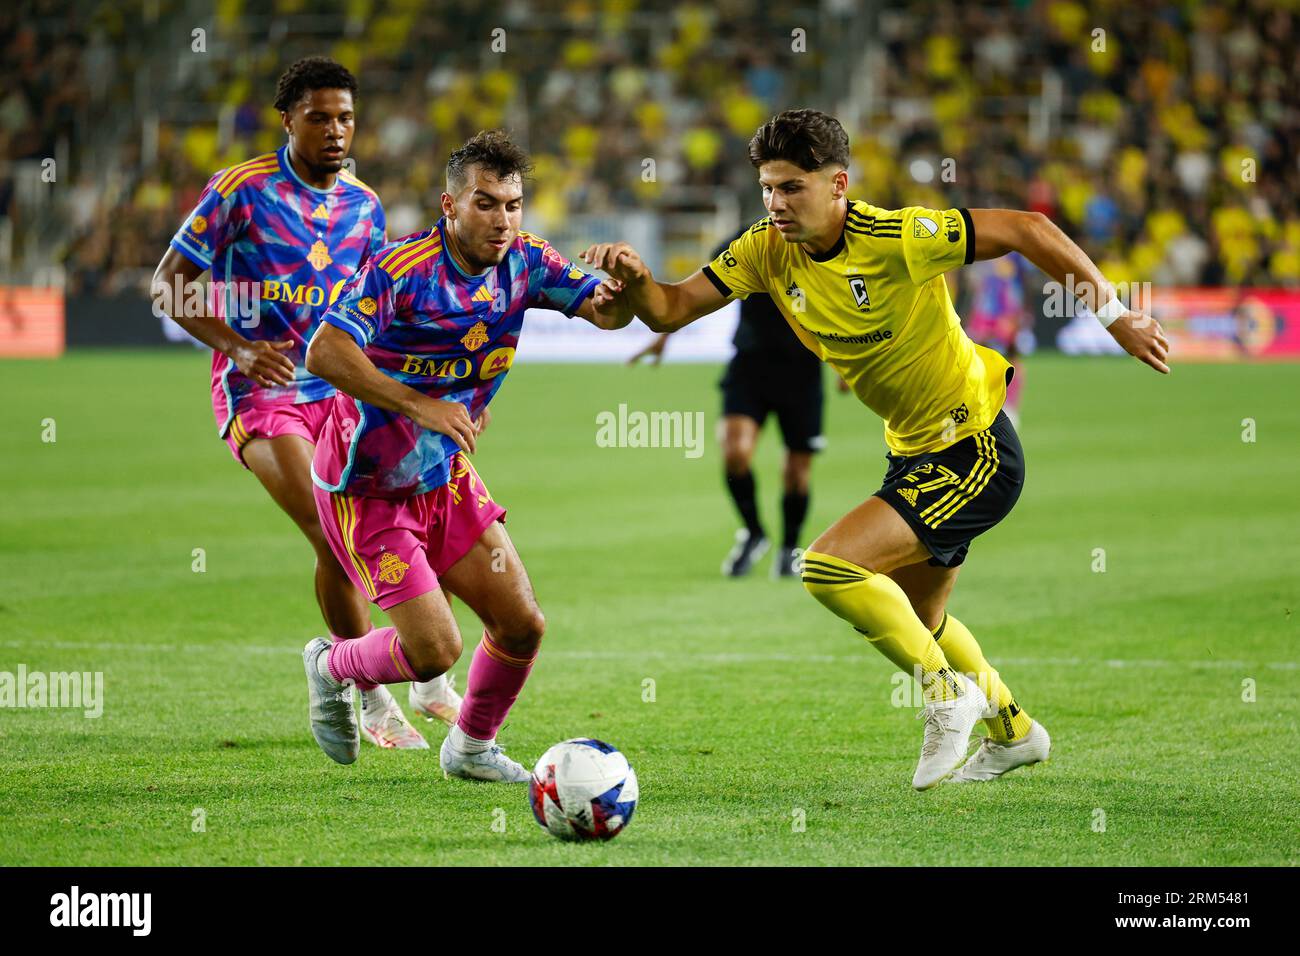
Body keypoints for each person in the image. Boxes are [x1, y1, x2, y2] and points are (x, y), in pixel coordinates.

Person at [581, 109, 1168, 790]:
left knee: (830, 565)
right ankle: (1014, 733)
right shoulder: (764, 249)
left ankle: (945, 696)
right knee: (922, 617)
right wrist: (637, 279)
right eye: (768, 188)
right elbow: (673, 307)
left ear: (839, 185)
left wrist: (1117, 316)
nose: (776, 204)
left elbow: (1030, 230)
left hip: (974, 447)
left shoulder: (897, 236)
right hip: (915, 451)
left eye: (792, 188)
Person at [301, 130, 633, 778]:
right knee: (432, 650)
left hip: (443, 476)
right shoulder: (402, 271)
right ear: (449, 206)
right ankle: (327, 664)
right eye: (486, 203)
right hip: (364, 484)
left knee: (521, 624)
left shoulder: (528, 263)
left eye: (513, 204)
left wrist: (626, 290)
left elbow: (602, 312)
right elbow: (325, 351)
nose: (503, 219)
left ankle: (472, 749)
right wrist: (419, 404)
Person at [152, 57, 459, 752]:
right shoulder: (239, 190)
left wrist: (415, 391)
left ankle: (417, 675)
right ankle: (376, 697)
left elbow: (382, 309)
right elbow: (168, 285)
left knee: (385, 525)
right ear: (286, 119)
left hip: (339, 394)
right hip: (260, 393)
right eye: (318, 116)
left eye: (345, 117)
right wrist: (236, 347)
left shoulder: (366, 206)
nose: (334, 130)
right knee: (330, 535)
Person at [630, 231, 833, 579]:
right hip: (750, 365)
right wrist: (664, 335)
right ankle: (754, 532)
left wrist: (849, 361)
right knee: (735, 453)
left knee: (797, 472)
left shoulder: (819, 244)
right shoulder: (743, 242)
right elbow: (698, 294)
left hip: (803, 372)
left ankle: (789, 547)